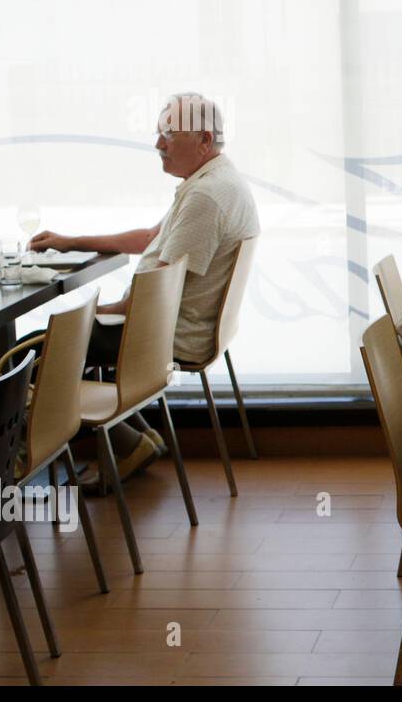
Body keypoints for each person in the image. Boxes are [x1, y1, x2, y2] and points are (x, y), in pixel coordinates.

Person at [29, 92, 260, 488]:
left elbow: (157, 296)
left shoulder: (206, 196)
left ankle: (20, 467)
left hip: (166, 333)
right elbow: (152, 238)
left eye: (168, 134)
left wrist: (104, 313)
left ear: (204, 140)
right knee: (62, 342)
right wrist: (72, 240)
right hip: (170, 324)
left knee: (36, 354)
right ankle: (133, 440)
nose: (158, 145)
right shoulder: (212, 180)